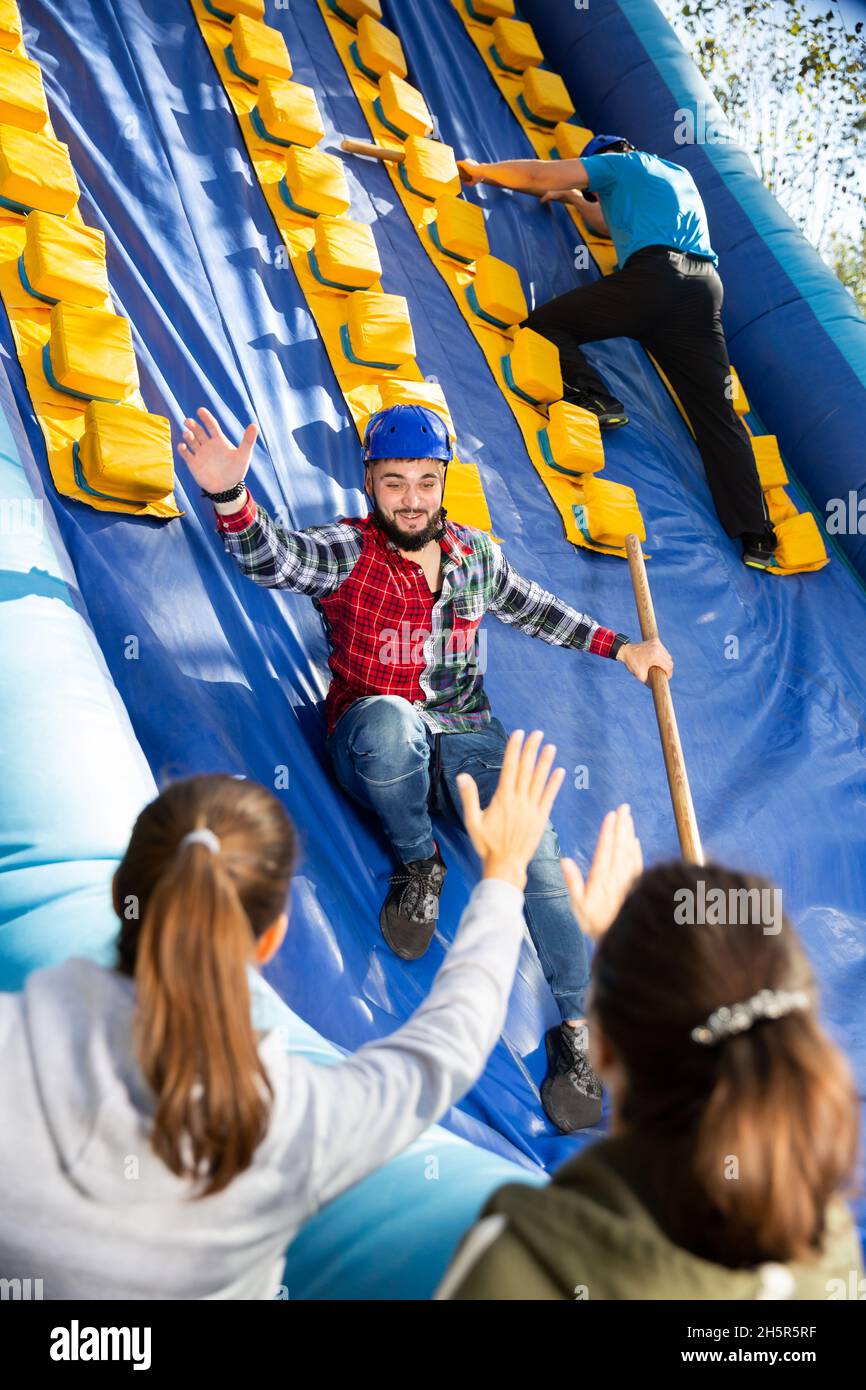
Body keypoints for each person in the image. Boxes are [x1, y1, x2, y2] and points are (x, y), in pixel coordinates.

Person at [177, 402, 673, 1133]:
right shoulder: (349, 551)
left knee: (537, 855)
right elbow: (273, 559)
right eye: (395, 483)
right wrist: (229, 494)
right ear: (370, 485)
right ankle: (419, 861)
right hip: (376, 735)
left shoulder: (476, 555)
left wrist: (621, 647)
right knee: (390, 725)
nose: (412, 498)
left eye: (426, 482)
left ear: (445, 482)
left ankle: (575, 1029)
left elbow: (533, 608)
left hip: (469, 736)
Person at [0, 735, 630, 1298]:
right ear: (272, 938)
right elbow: (447, 1046)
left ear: (121, 894)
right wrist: (504, 875)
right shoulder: (297, 1125)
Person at [437, 859, 863, 1300]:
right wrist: (631, 972)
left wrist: (501, 886)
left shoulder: (520, 1263)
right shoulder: (829, 1239)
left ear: (598, 1044)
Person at [458, 137, 779, 570]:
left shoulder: (618, 163)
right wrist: (574, 198)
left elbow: (537, 174)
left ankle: (596, 398)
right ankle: (757, 536)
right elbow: (610, 223)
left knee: (545, 326)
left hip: (656, 281)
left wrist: (482, 170)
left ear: (604, 157)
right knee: (717, 415)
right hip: (702, 290)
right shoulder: (675, 175)